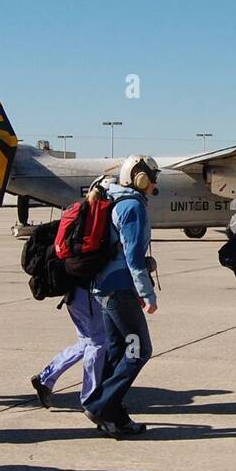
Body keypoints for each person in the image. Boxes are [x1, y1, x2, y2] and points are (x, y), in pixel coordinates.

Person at [82, 156, 160, 438]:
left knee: (118, 352)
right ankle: (100, 405)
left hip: (103, 286)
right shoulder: (132, 206)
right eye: (152, 177)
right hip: (119, 288)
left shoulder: (114, 199)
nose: (154, 183)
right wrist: (147, 293)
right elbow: (133, 256)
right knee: (139, 350)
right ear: (140, 178)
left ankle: (113, 414)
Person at [31, 176, 110, 410]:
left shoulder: (76, 213)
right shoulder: (95, 217)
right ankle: (91, 398)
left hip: (71, 289)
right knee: (98, 342)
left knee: (86, 340)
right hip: (85, 290)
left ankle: (46, 378)